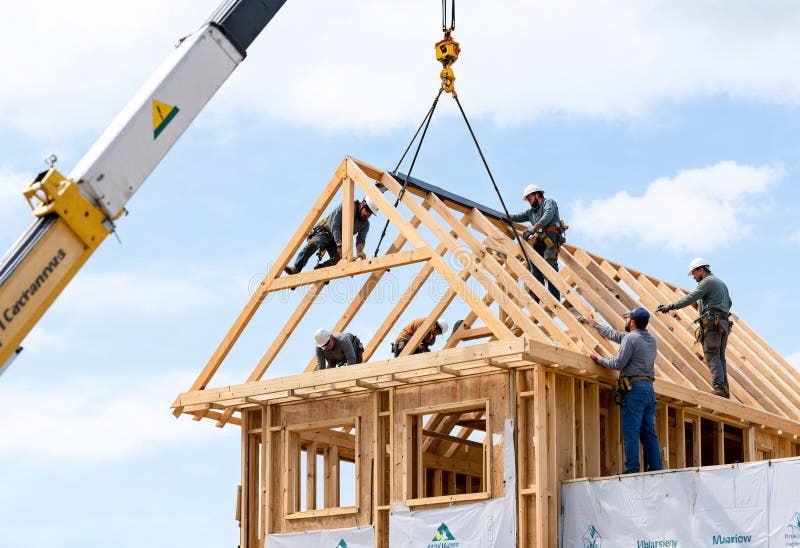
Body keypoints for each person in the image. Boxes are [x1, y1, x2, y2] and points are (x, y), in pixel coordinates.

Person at [586, 307, 663, 474]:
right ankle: (657, 470)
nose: (626, 320)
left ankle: (633, 470)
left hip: (634, 390)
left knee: (631, 431)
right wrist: (596, 325)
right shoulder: (650, 339)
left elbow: (618, 363)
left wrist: (599, 360)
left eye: (628, 318)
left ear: (632, 322)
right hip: (649, 390)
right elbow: (615, 335)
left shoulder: (630, 339)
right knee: (649, 433)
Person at [655, 258, 732, 398]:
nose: (694, 277)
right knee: (720, 356)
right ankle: (724, 389)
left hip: (713, 325)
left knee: (711, 354)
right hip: (723, 324)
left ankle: (719, 388)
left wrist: (670, 306)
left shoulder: (707, 282)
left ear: (701, 270)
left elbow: (691, 298)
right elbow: (729, 303)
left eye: (694, 273)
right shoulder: (721, 283)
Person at [284, 198, 378, 274]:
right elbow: (335, 225)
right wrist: (339, 244)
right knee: (315, 243)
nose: (368, 215)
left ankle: (320, 272)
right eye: (367, 211)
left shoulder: (365, 224)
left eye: (370, 213)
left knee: (339, 260)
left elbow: (360, 240)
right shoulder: (348, 206)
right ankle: (296, 268)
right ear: (362, 204)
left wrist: (359, 253)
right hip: (326, 231)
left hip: (336, 240)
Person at [508, 184, 563, 301]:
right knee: (533, 262)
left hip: (551, 237)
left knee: (549, 264)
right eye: (527, 199)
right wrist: (507, 216)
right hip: (540, 239)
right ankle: (538, 295)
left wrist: (534, 228)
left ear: (537, 194)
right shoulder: (531, 212)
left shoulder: (549, 202)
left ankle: (554, 300)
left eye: (529, 198)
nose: (529, 201)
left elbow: (548, 215)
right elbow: (518, 217)